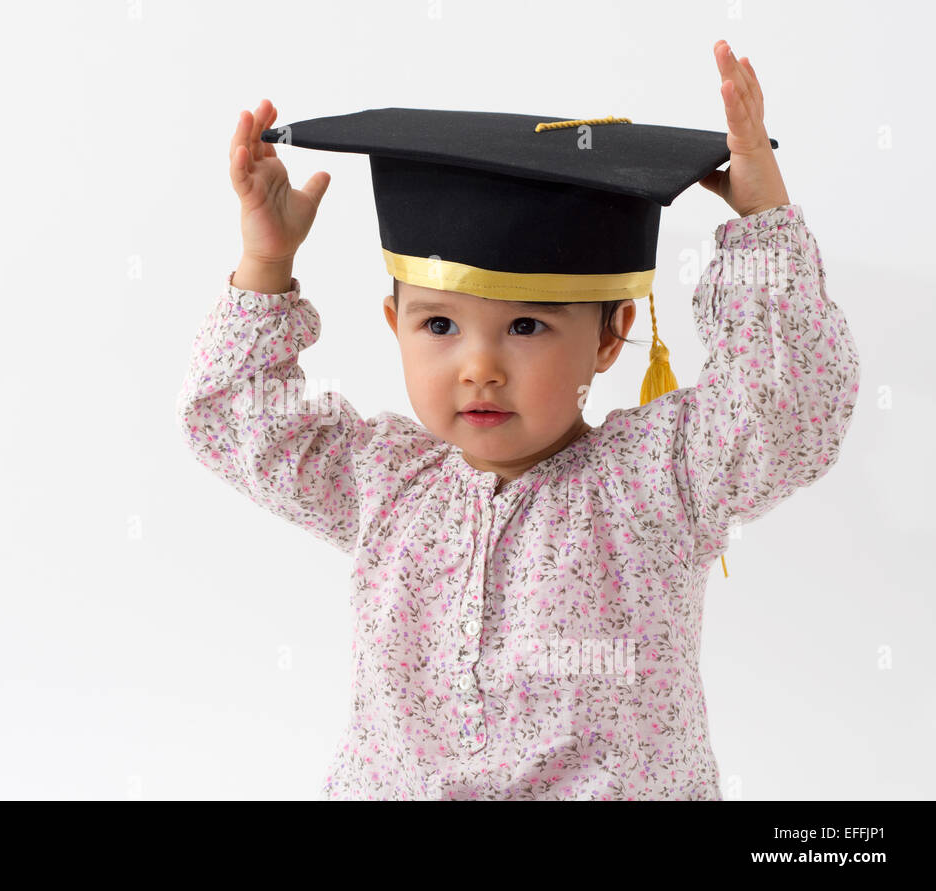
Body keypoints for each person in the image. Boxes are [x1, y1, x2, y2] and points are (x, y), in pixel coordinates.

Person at [175, 40, 860, 800]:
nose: (479, 367)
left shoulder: (659, 480)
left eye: (526, 327)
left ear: (608, 337)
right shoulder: (386, 481)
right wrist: (265, 263)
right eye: (439, 326)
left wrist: (763, 219)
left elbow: (790, 407)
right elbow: (231, 418)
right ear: (392, 323)